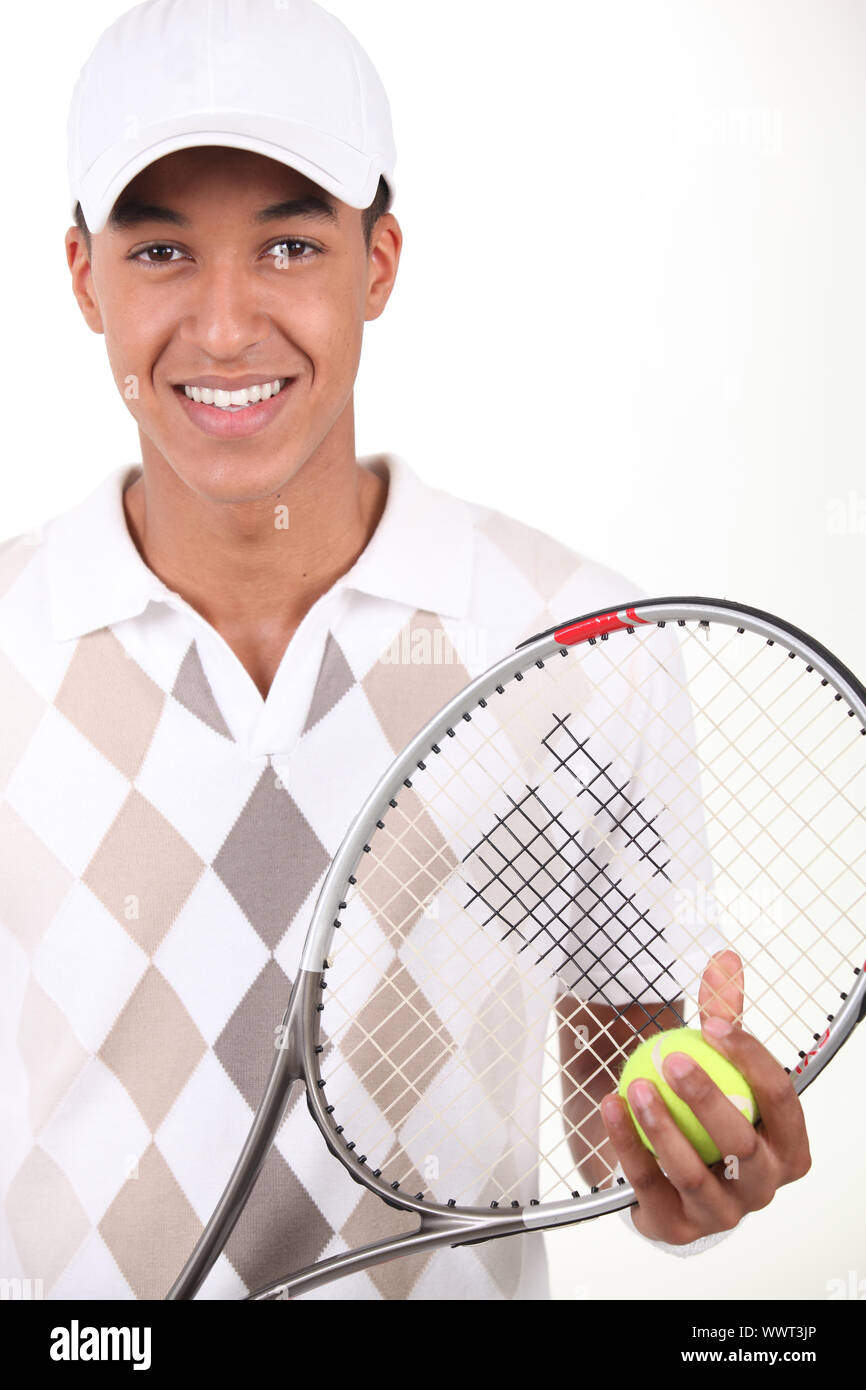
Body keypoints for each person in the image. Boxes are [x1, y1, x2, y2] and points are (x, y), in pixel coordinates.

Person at [0, 0, 810, 1300]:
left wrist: (697, 1180)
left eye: (286, 244)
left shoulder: (570, 640)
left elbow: (643, 1138)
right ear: (82, 274)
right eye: (160, 250)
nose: (220, 326)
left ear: (376, 262)